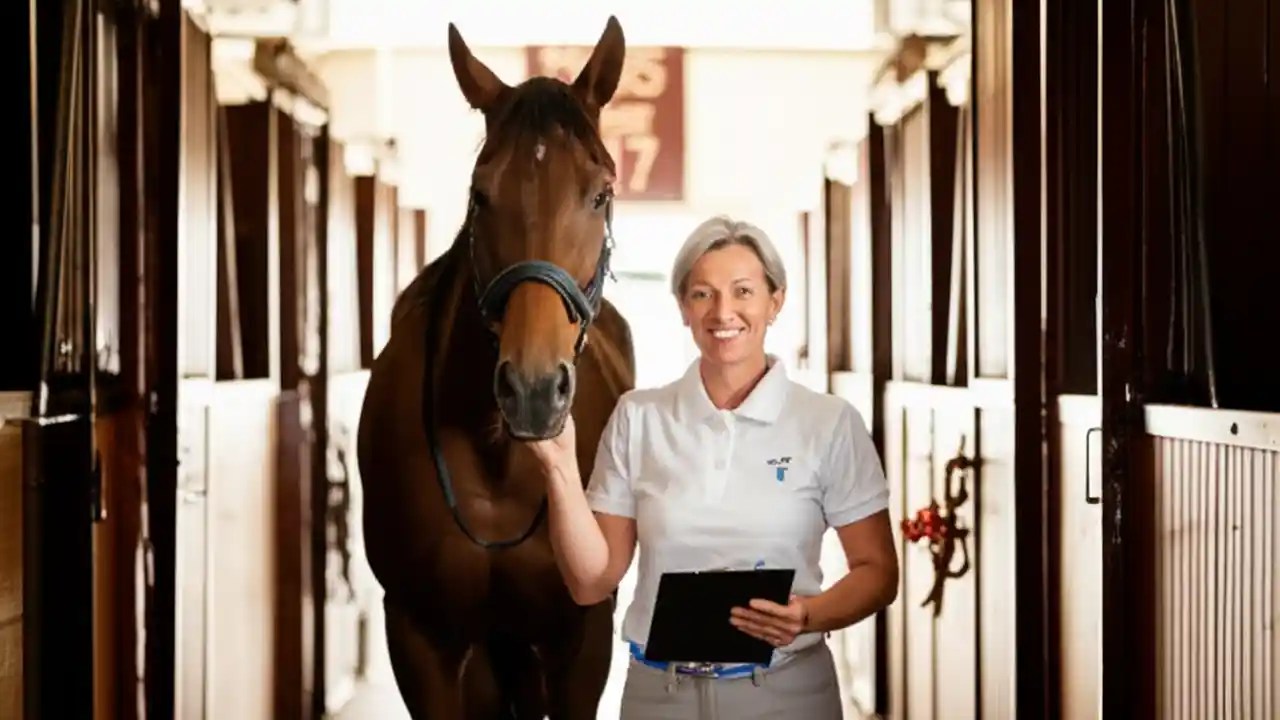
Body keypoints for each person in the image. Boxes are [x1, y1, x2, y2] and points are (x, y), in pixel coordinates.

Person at [528, 215, 898, 719]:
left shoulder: (829, 423)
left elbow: (877, 572)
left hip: (788, 695)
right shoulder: (639, 417)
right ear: (682, 307)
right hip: (660, 698)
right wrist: (559, 467)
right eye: (702, 294)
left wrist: (808, 615)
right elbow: (591, 581)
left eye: (743, 291)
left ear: (776, 301)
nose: (723, 311)